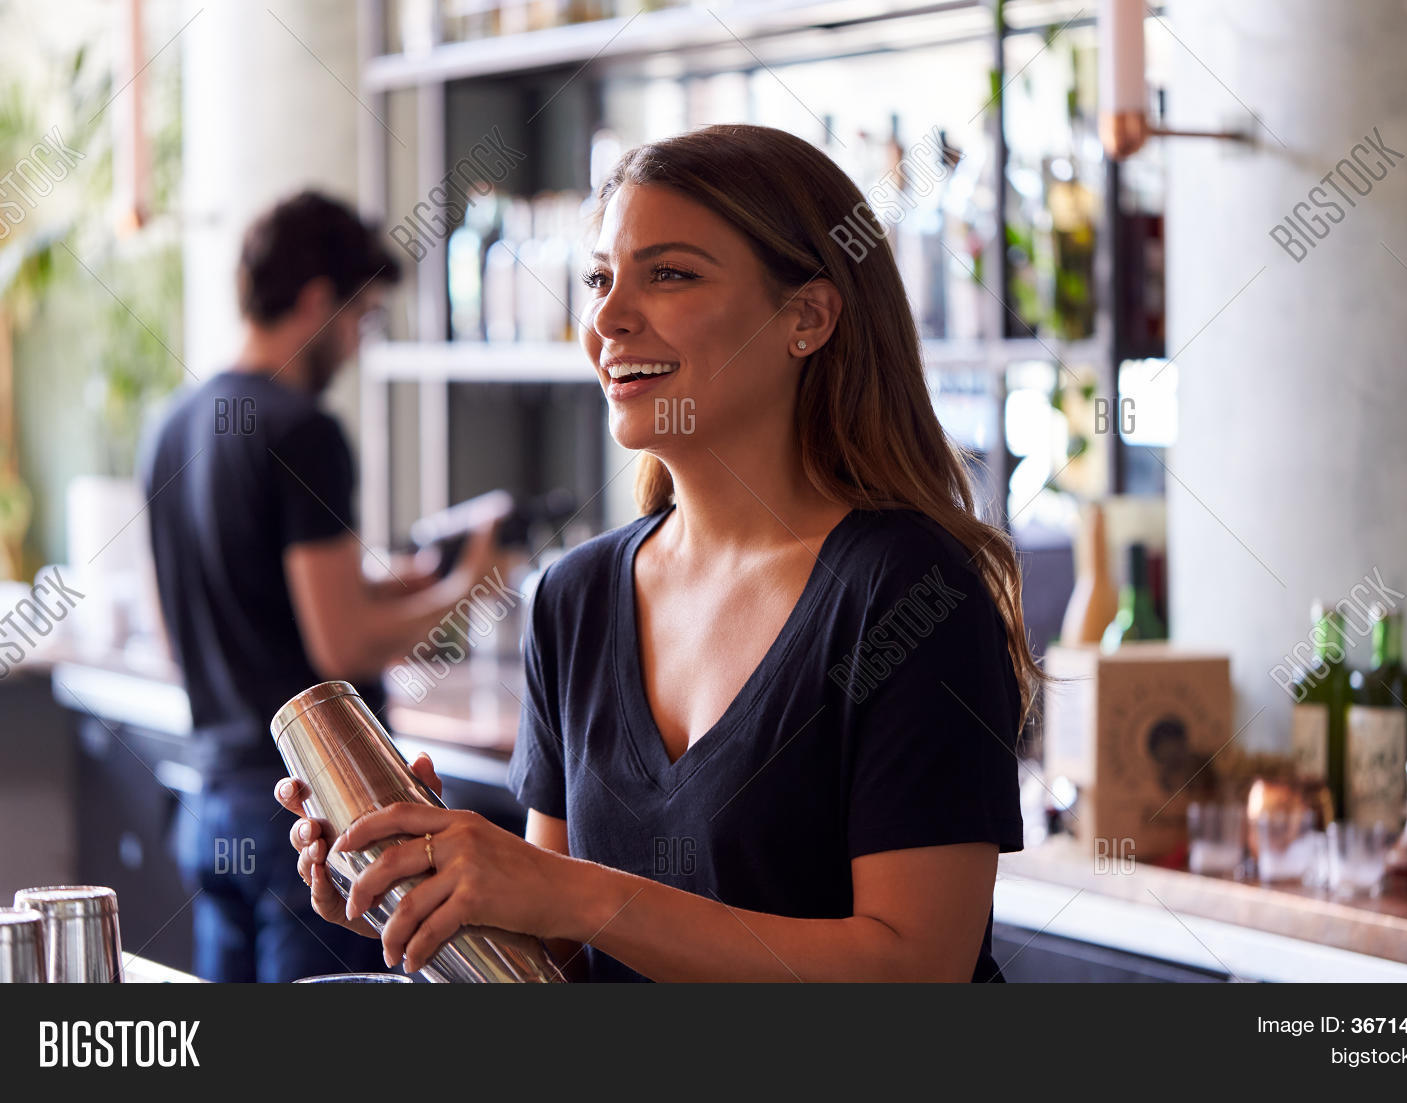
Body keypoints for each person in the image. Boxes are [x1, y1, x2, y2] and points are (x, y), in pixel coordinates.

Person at [278, 126, 1038, 981]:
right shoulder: (576, 596)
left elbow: (916, 971)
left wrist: (568, 888)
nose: (605, 317)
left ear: (808, 316)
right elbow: (559, 967)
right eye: (599, 279)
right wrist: (438, 885)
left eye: (669, 274)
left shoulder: (908, 591)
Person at [143, 190, 505, 982]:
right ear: (315, 299)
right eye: (359, 316)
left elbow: (204, 621)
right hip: (308, 820)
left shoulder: (174, 424)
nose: (356, 341)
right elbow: (339, 643)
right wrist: (475, 585)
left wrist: (392, 583)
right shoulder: (301, 430)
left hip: (212, 801)